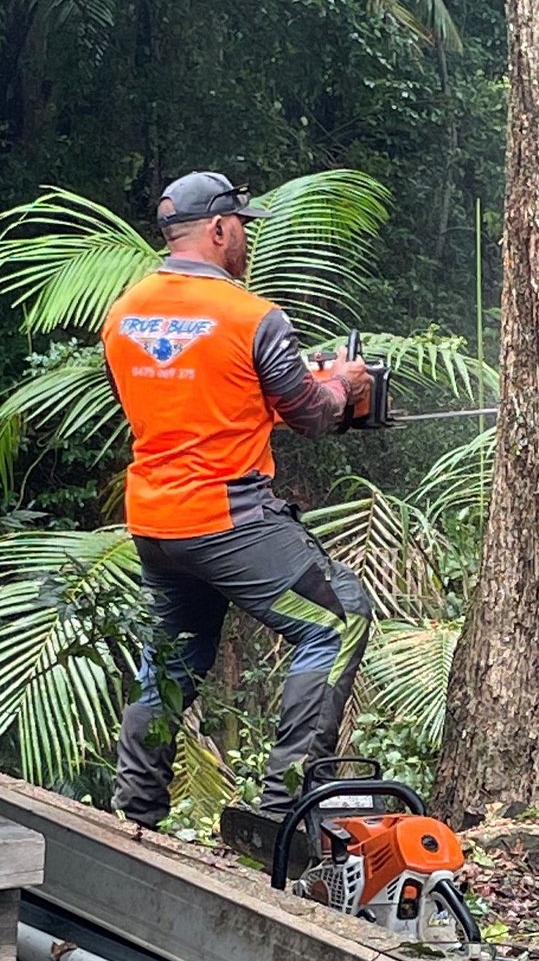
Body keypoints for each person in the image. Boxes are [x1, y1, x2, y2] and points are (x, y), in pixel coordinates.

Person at [101, 170, 374, 828]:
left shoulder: (125, 311)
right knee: (338, 621)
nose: (245, 239)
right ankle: (284, 806)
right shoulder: (250, 316)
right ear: (220, 228)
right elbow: (312, 415)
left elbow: (182, 403)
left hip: (157, 526)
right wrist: (345, 384)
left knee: (172, 659)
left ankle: (134, 810)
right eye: (242, 227)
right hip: (227, 523)